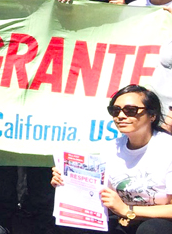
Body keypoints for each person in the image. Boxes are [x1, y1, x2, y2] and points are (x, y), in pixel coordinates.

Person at [0, 0, 61, 234]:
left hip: (39, 90)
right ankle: (2, 217)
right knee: (3, 158)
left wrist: (65, 6)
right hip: (2, 89)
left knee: (39, 156)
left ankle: (38, 214)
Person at [52, 85, 172, 233]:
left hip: (160, 223)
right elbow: (98, 192)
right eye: (115, 111)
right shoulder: (110, 148)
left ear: (152, 115)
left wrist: (128, 210)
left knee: (151, 230)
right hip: (122, 219)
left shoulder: (168, 149)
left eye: (130, 110)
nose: (121, 116)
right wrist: (67, 181)